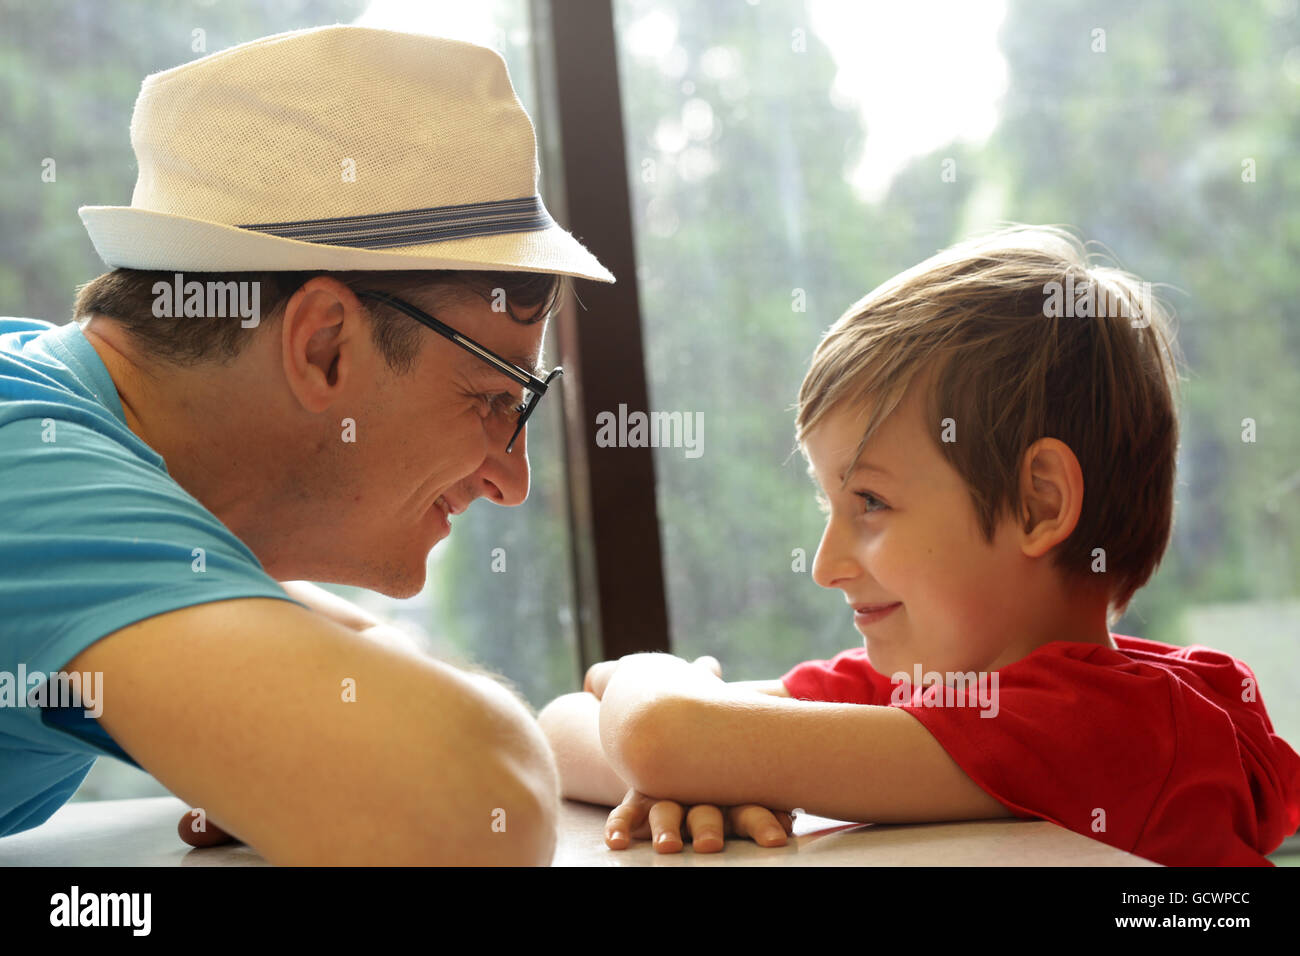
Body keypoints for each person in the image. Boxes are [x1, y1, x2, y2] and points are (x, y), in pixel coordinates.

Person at [0, 25, 613, 865]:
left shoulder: (54, 414)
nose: (513, 479)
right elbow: (476, 806)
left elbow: (356, 663)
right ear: (324, 344)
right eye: (495, 397)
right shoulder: (31, 470)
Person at [539, 225, 1300, 865]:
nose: (825, 564)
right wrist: (704, 774)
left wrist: (649, 675)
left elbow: (660, 732)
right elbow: (561, 732)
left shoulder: (1115, 729)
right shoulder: (933, 687)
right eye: (828, 503)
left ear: (1040, 503)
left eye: (870, 501)